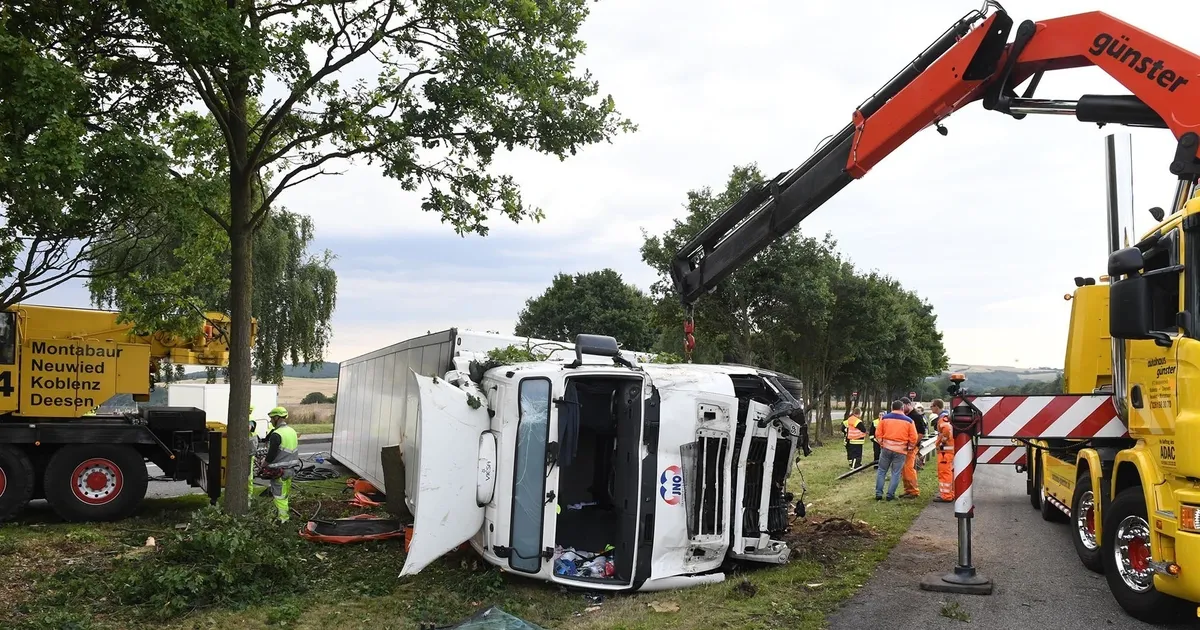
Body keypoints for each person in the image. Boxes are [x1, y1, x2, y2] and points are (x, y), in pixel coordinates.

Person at [262, 406, 302, 523]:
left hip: (279, 471)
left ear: (276, 417)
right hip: (291, 470)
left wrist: (264, 464)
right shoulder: (292, 431)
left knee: (279, 497)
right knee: (285, 495)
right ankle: (283, 516)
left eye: (271, 418)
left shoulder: (277, 434)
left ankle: (283, 520)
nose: (270, 421)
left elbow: (271, 454)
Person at [875, 400, 919, 501]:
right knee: (896, 473)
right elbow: (914, 437)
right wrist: (910, 447)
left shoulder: (884, 418)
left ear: (892, 408)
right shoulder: (909, 421)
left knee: (882, 471)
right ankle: (890, 495)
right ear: (902, 408)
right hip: (901, 450)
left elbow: (878, 433)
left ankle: (878, 493)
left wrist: (882, 443)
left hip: (886, 448)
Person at [899, 397, 922, 498]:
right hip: (904, 446)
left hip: (912, 447)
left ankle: (914, 491)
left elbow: (921, 433)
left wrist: (913, 445)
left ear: (908, 404)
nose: (901, 409)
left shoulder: (916, 416)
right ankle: (907, 489)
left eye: (902, 406)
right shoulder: (904, 415)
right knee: (903, 469)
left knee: (908, 468)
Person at [933, 399, 955, 503]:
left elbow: (946, 429)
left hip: (945, 451)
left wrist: (943, 440)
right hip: (947, 451)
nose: (931, 408)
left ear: (936, 406)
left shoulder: (943, 419)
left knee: (944, 473)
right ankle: (950, 493)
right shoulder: (946, 417)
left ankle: (946, 496)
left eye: (932, 406)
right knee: (949, 472)